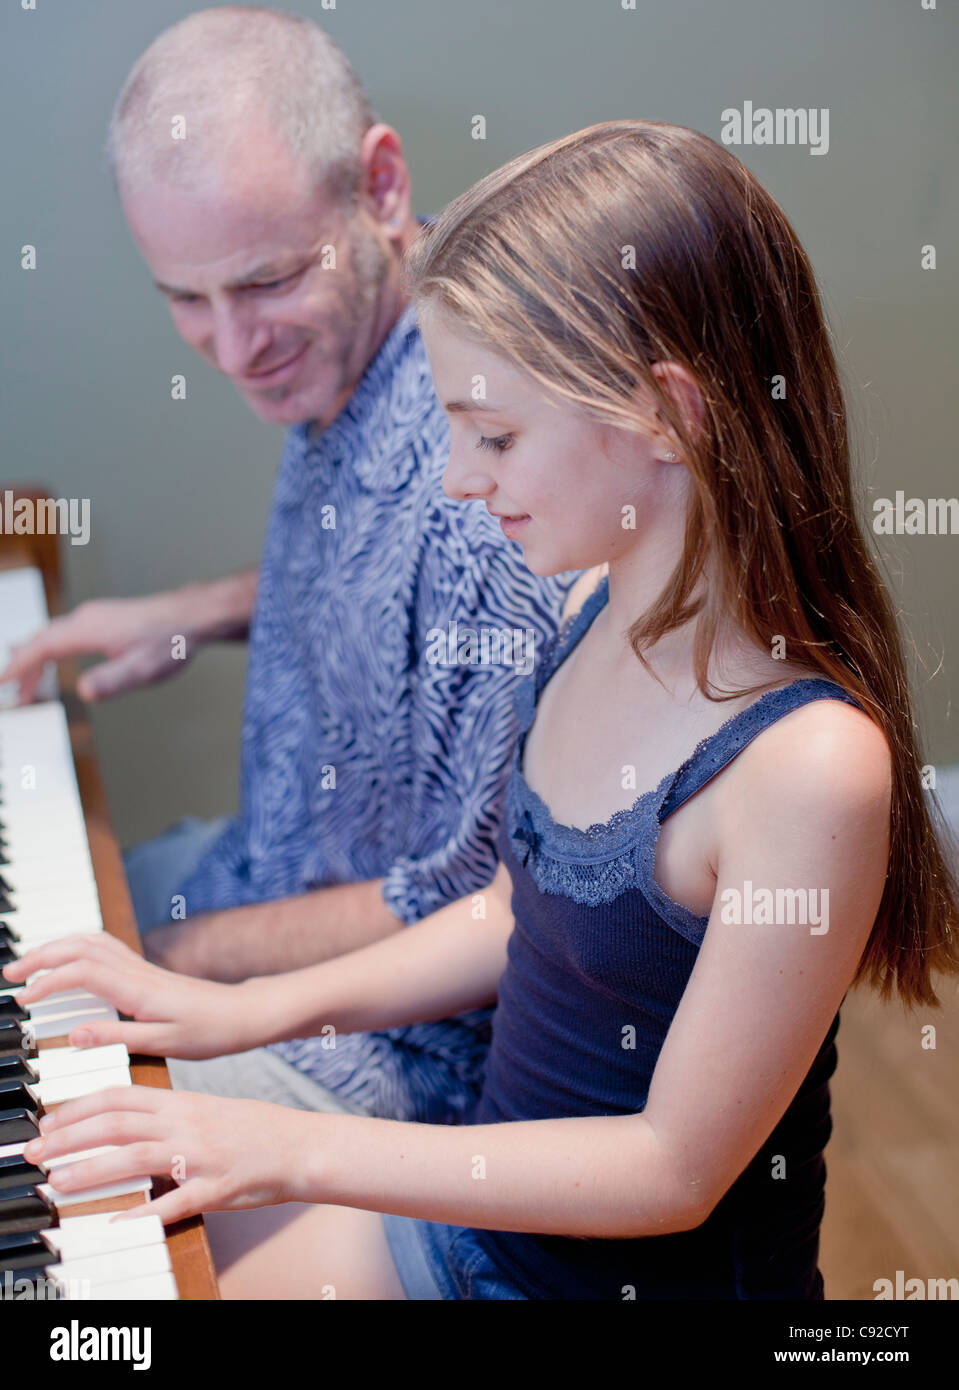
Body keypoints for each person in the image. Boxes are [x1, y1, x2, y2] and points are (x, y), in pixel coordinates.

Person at [9, 119, 959, 1301]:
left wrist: (295, 1147)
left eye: (494, 434)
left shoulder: (807, 768)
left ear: (664, 411)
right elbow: (509, 910)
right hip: (478, 1238)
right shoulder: (587, 618)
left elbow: (668, 1169)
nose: (458, 477)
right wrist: (233, 1008)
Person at [0, 8, 575, 1126]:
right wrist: (200, 610)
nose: (228, 343)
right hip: (264, 870)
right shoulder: (385, 315)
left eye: (264, 281)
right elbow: (384, 595)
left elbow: (473, 905)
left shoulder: (489, 475)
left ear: (382, 186)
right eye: (184, 297)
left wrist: (160, 948)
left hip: (390, 1056)